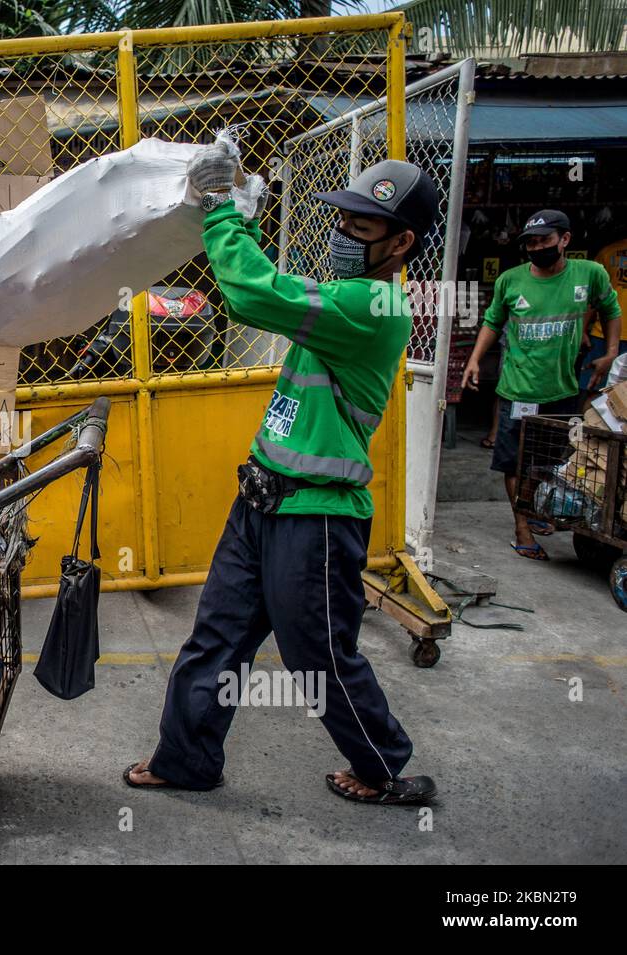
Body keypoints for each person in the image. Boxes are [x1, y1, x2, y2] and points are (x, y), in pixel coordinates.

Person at [124, 146, 440, 805]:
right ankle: (186, 759)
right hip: (261, 499)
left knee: (319, 656)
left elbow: (251, 290)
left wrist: (221, 215)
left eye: (362, 224)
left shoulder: (371, 309)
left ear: (402, 241)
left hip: (317, 518)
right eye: (344, 218)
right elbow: (255, 302)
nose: (344, 232)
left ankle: (383, 767)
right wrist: (244, 220)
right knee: (217, 633)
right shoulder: (342, 299)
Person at [461, 210, 621, 561]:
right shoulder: (511, 280)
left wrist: (609, 353)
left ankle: (532, 508)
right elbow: (492, 321)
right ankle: (521, 527)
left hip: (562, 389)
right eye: (531, 242)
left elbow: (610, 309)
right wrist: (474, 360)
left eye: (544, 240)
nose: (537, 247)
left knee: (547, 462)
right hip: (518, 390)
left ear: (564, 240)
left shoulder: (590, 274)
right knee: (514, 463)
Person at [578, 235, 627, 402]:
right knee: (594, 390)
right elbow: (593, 295)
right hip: (603, 334)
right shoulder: (609, 252)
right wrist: (582, 329)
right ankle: (591, 427)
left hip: (606, 335)